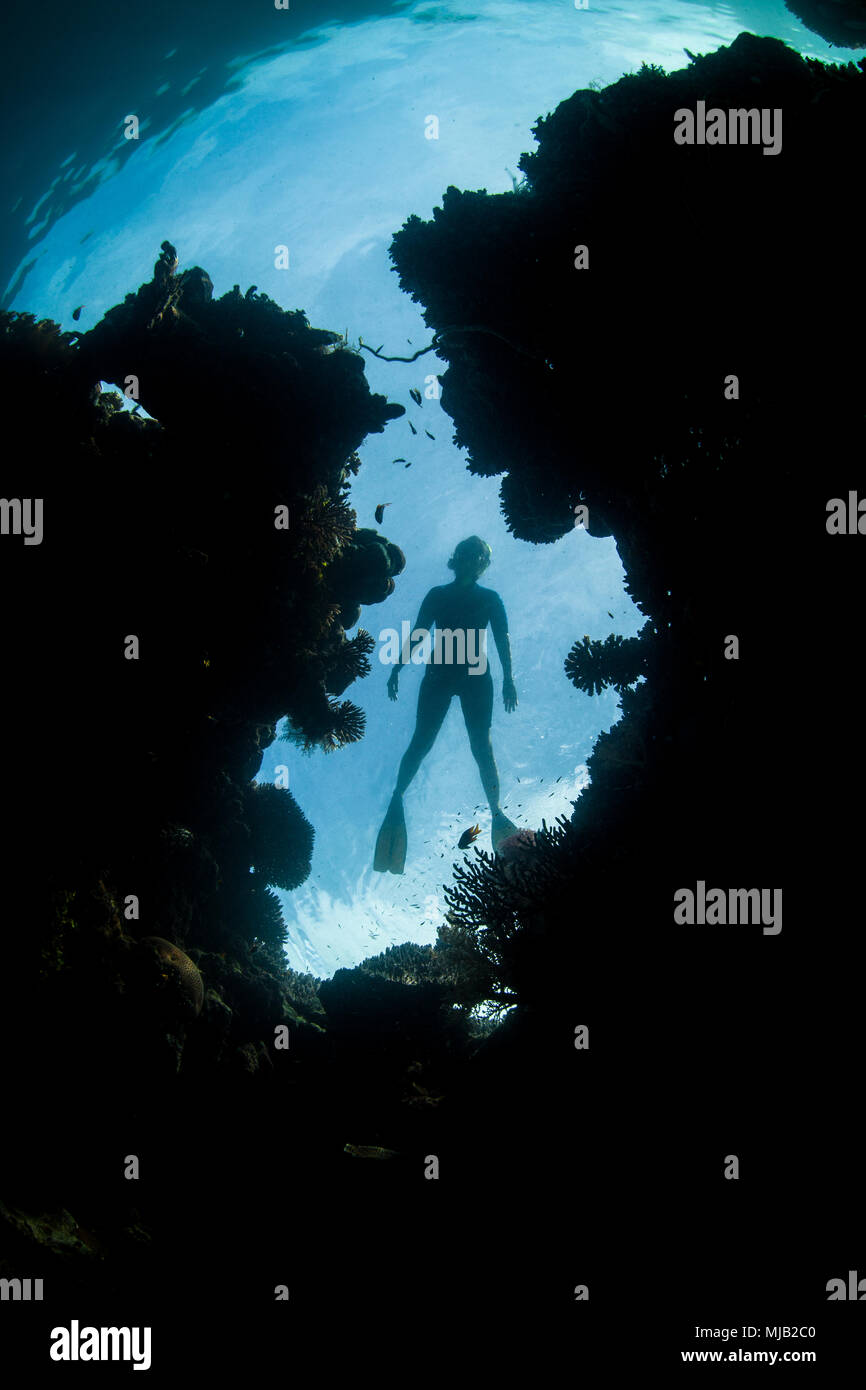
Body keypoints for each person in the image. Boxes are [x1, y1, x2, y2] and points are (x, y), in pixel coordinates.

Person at [374, 536, 519, 873]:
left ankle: (496, 811)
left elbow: (502, 639)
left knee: (482, 745)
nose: (473, 560)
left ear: (483, 564)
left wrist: (510, 677)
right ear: (459, 558)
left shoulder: (491, 599)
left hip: (474, 678)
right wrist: (397, 666)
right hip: (440, 675)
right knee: (421, 742)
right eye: (469, 554)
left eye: (479, 556)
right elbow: (420, 633)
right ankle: (397, 798)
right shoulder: (438, 596)